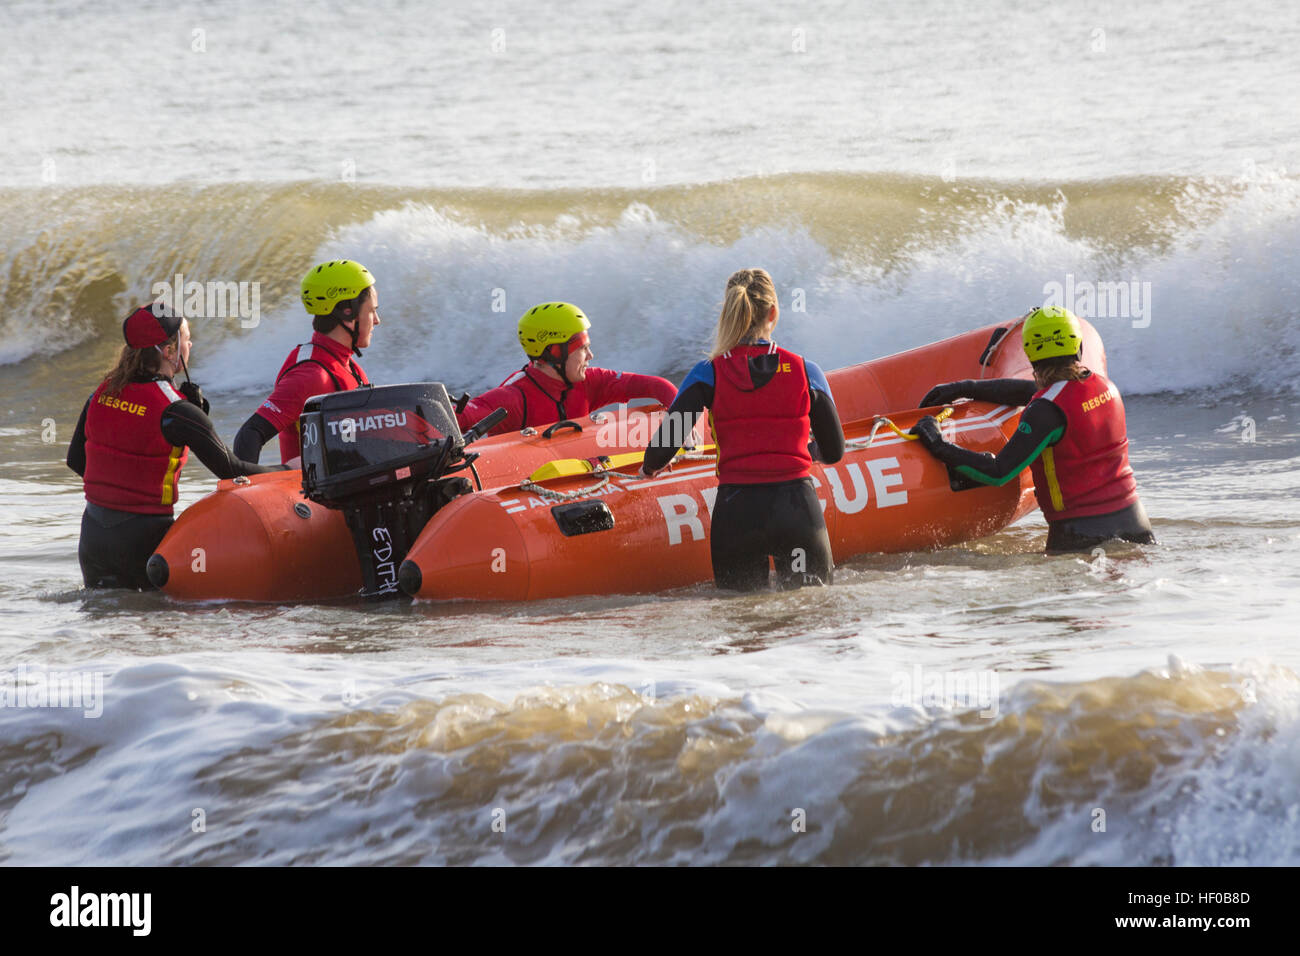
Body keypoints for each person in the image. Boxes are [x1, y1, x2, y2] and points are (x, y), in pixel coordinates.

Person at [639, 268, 845, 590]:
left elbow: (663, 445)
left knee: (740, 625)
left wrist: (651, 466)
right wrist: (809, 450)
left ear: (729, 313)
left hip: (737, 514)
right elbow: (834, 451)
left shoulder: (708, 372)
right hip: (797, 510)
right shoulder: (806, 370)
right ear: (773, 313)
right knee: (810, 621)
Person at [66, 305, 286, 589]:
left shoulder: (101, 393)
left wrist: (120, 489)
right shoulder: (175, 410)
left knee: (108, 620)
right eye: (186, 338)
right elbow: (231, 470)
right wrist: (288, 470)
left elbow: (76, 460)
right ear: (169, 352)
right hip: (144, 540)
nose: (190, 344)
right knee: (153, 624)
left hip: (93, 536)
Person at [910, 305, 1155, 554]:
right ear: (1078, 346)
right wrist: (966, 387)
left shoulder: (1046, 411)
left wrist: (937, 444)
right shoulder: (1104, 386)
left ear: (1030, 355)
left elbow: (998, 472)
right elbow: (1038, 394)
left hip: (1081, 535)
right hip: (1136, 525)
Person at [455, 302, 678, 437]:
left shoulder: (590, 382)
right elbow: (458, 418)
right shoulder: (514, 397)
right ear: (554, 352)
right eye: (582, 349)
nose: (591, 356)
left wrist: (682, 423)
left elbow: (657, 386)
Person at [234, 260, 377, 465]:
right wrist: (245, 487)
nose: (377, 320)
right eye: (372, 311)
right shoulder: (311, 374)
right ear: (348, 311)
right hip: (311, 495)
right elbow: (250, 434)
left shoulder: (348, 366)